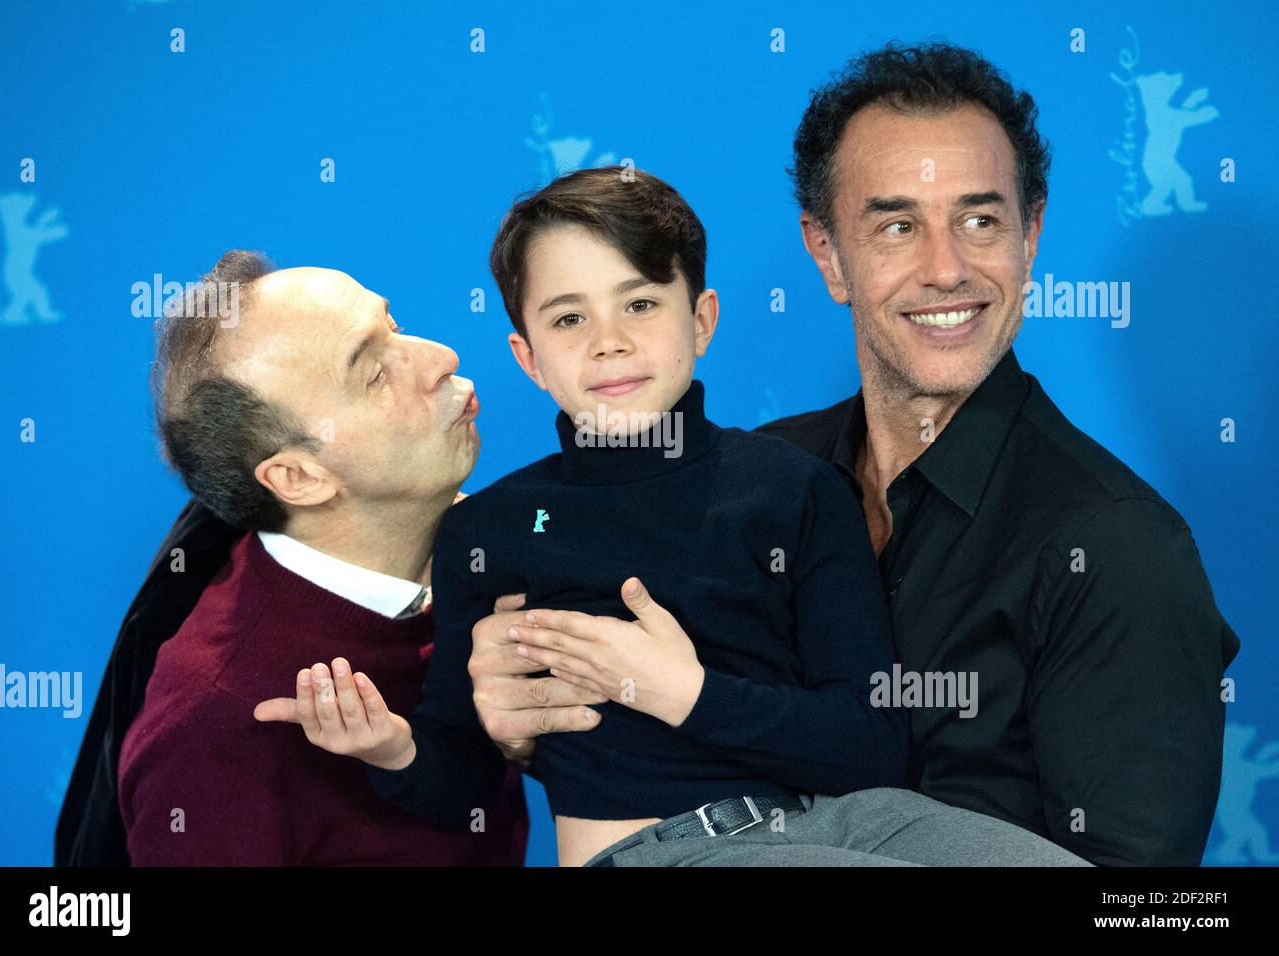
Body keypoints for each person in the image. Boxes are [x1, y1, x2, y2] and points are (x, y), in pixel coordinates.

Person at [460, 43, 1241, 867]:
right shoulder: (759, 477)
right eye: (898, 226)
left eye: (981, 221)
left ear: (1030, 237)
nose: (947, 269)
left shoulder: (1119, 547)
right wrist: (515, 716)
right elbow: (639, 726)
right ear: (828, 254)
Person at [256, 166, 1091, 868]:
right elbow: (468, 775)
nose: (609, 341)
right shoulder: (493, 530)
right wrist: (393, 750)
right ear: (529, 358)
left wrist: (680, 691)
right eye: (570, 317)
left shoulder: (798, 490)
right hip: (648, 850)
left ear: (702, 321)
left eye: (641, 304)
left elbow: (870, 743)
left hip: (839, 826)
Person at [113, 251, 528, 865]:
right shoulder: (211, 729)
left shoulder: (506, 555)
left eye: (396, 325)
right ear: (299, 478)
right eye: (373, 373)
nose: (442, 357)